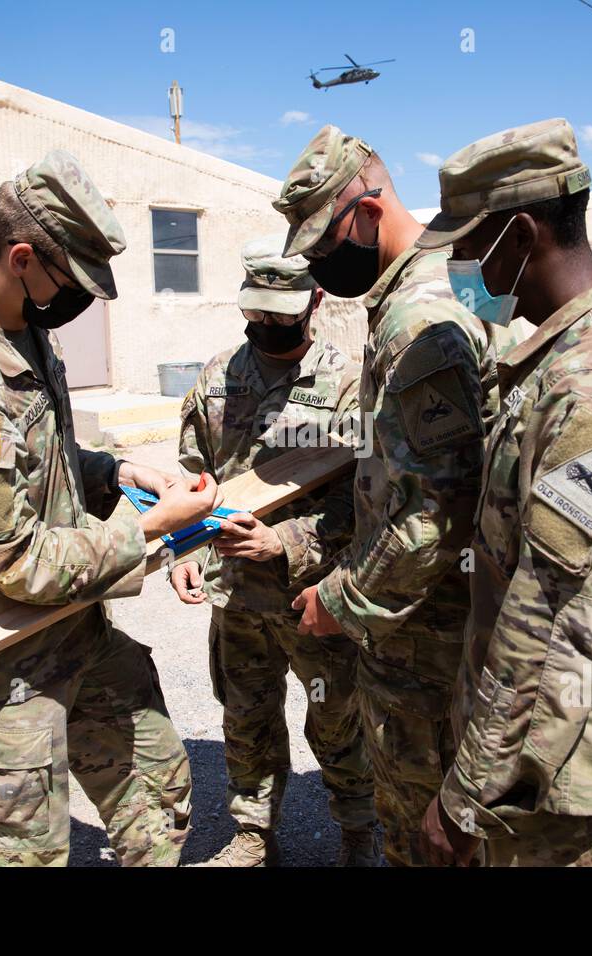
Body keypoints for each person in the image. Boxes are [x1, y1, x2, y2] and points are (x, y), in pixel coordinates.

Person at [0, 149, 219, 866]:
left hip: (75, 629)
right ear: (20, 258)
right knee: (26, 854)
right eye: (72, 282)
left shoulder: (27, 338)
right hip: (2, 668)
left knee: (158, 796)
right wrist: (146, 531)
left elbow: (44, 462)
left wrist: (118, 472)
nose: (79, 302)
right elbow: (18, 561)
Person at [414, 120, 592, 867]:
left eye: (468, 248)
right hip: (548, 764)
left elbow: (556, 620)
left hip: (581, 788)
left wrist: (467, 794)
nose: (460, 268)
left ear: (519, 235)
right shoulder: (560, 361)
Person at [273, 125, 513, 866]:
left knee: (426, 834)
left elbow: (433, 513)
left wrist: (339, 600)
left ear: (370, 215)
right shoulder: (458, 278)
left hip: (429, 640)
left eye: (322, 245)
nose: (318, 266)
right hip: (455, 620)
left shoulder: (419, 317)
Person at [171, 234, 376, 866]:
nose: (264, 326)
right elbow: (191, 476)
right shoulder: (216, 380)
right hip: (236, 600)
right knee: (245, 719)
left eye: (280, 314)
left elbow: (367, 497)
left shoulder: (347, 385)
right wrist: (181, 550)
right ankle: (254, 832)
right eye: (254, 312)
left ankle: (358, 831)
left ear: (314, 301)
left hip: (312, 596)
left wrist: (283, 541)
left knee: (337, 720)